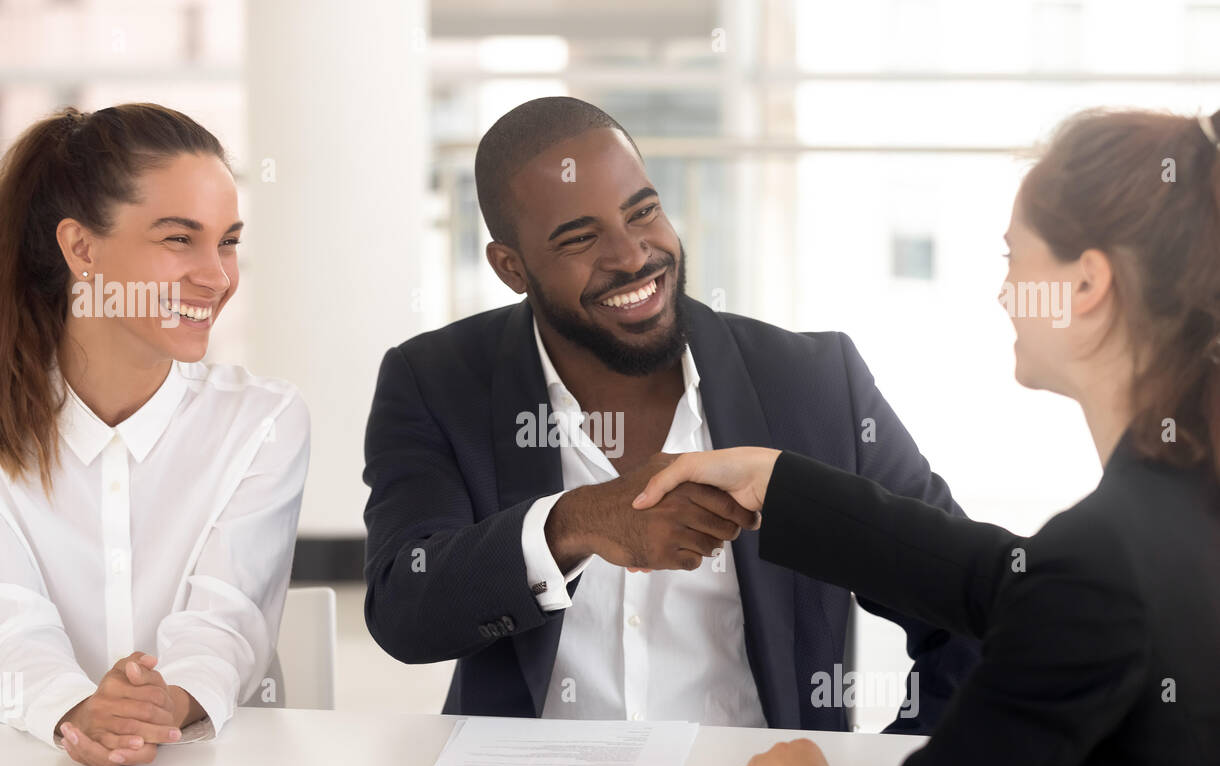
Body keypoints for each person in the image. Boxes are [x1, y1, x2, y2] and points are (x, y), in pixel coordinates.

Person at [631, 107, 1220, 766]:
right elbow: (1017, 585)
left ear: (1086, 283)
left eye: (1014, 257)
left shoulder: (1105, 564)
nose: (1004, 291)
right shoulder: (1173, 504)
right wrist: (785, 488)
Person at [363, 96, 977, 734]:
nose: (632, 257)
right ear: (511, 267)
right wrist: (574, 524)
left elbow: (968, 606)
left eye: (643, 212)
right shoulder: (435, 381)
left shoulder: (814, 383)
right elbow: (405, 609)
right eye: (579, 237)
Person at [0, 104, 310, 766]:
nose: (216, 275)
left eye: (228, 241)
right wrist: (80, 711)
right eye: (179, 239)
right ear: (81, 249)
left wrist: (162, 706)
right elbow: (10, 626)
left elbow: (227, 619)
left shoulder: (263, 423)